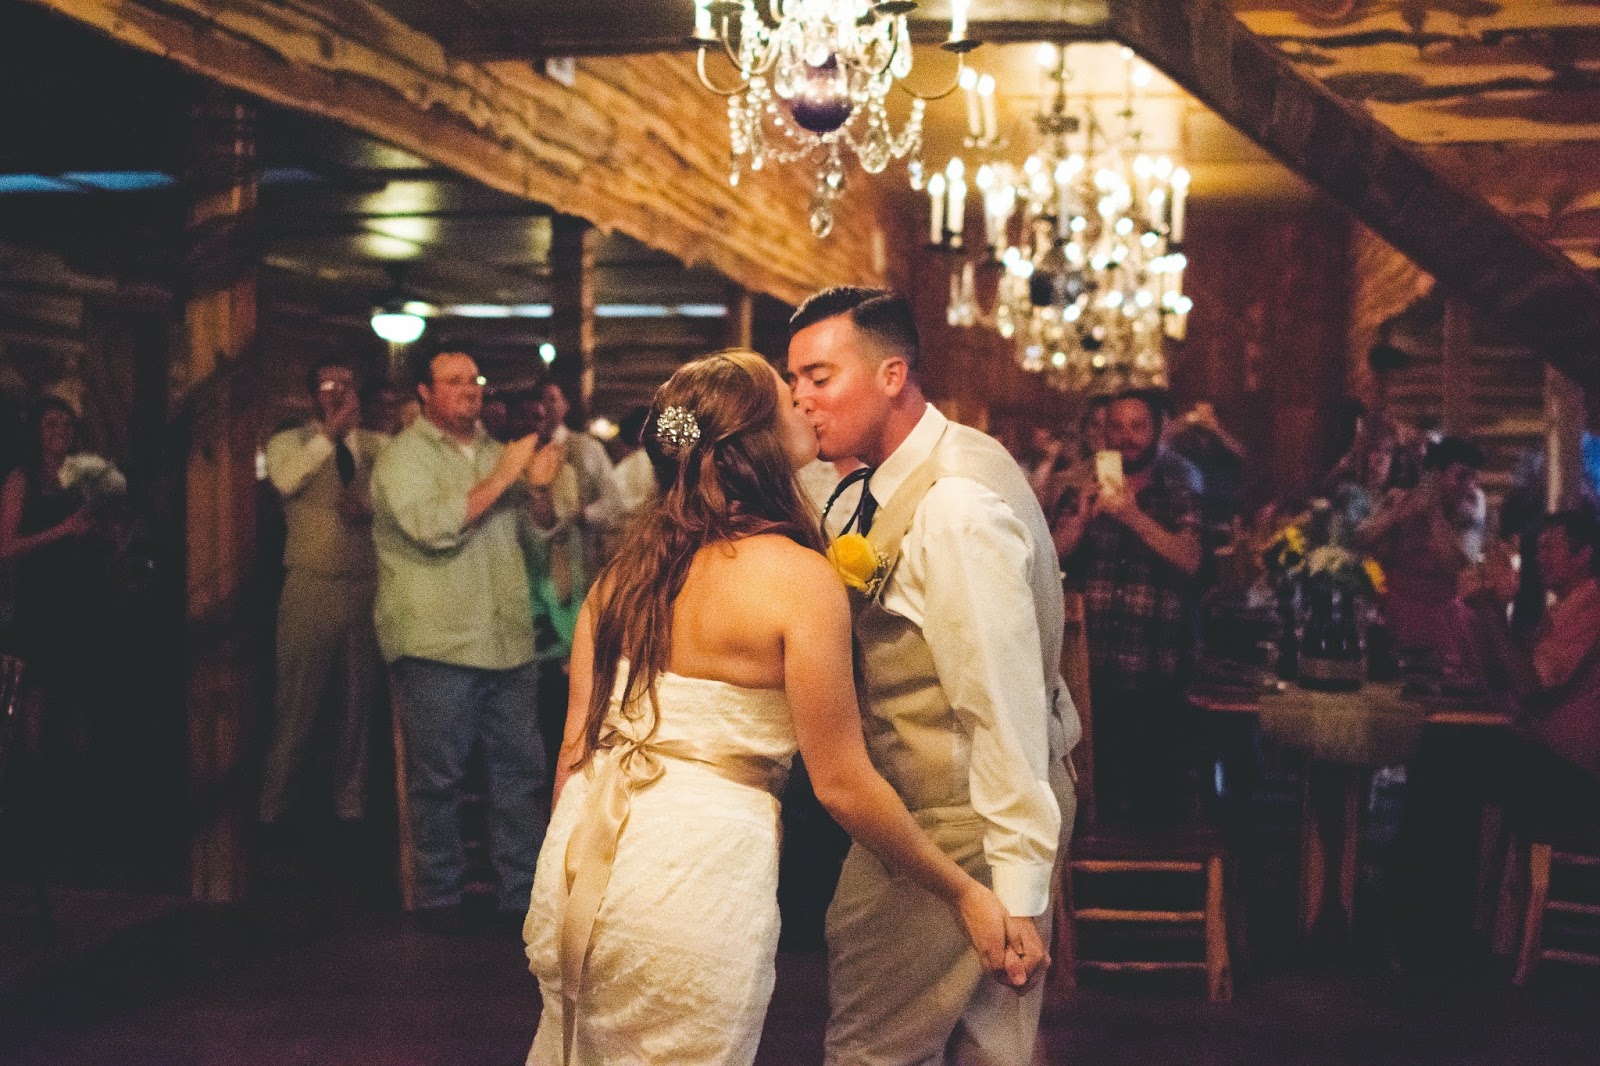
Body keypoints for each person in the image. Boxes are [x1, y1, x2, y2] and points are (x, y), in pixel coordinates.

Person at [523, 349, 1024, 1066]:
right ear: (755, 440)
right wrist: (963, 891)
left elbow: (572, 763)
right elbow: (843, 785)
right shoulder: (797, 580)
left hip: (576, 871)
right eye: (787, 398)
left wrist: (574, 872)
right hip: (691, 881)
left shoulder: (618, 579)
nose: (803, 401)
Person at [788, 288, 1076, 1066]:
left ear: (891, 374)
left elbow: (1001, 701)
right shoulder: (911, 470)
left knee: (870, 1051)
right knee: (990, 1053)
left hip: (952, 825)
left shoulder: (953, 506)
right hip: (961, 815)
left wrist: (1017, 890)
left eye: (819, 377)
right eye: (793, 383)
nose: (801, 400)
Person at [372, 348, 566, 932]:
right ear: (425, 395)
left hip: (507, 638)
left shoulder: (491, 450)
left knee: (520, 773)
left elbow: (538, 541)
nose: (469, 390)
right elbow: (433, 529)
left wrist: (538, 493)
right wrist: (507, 475)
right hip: (438, 641)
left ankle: (522, 894)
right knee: (439, 779)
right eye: (452, 381)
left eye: (474, 380)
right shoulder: (402, 458)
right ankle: (439, 900)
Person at [1052, 387, 1205, 822]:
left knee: (1156, 798)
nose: (1126, 436)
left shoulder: (1178, 494)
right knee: (1091, 796)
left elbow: (1190, 559)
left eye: (1138, 426)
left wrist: (1130, 515)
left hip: (1156, 671)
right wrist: (1079, 521)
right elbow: (1047, 559)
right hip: (1088, 672)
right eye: (1116, 426)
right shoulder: (1080, 491)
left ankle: (1155, 885)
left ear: (1157, 432)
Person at [259, 360, 390, 829]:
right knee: (297, 699)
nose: (336, 391)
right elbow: (287, 479)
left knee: (359, 700)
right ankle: (275, 804)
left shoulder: (378, 446)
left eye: (346, 383)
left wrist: (369, 503)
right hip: (309, 584)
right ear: (312, 393)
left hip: (364, 584)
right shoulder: (289, 443)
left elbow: (398, 496)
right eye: (326, 384)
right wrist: (328, 435)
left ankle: (349, 803)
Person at [0, 397, 105, 769]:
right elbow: (6, 546)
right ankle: (36, 779)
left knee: (80, 683)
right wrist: (62, 530)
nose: (61, 432)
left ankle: (76, 778)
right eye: (51, 424)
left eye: (66, 424)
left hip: (79, 591)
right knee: (40, 685)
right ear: (37, 432)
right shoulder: (22, 478)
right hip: (40, 593)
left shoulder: (82, 480)